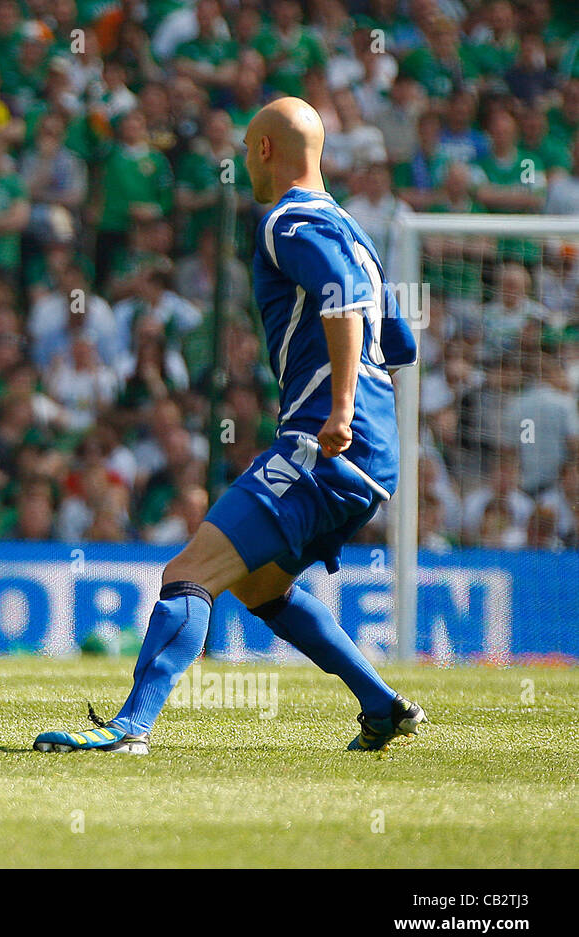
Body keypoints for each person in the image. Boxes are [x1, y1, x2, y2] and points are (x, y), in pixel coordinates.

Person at [35, 98, 426, 756]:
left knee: (188, 572)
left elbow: (339, 302)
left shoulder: (287, 218)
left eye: (247, 149)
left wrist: (335, 408)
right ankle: (381, 706)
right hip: (372, 452)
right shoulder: (356, 234)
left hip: (327, 439)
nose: (244, 162)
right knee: (260, 584)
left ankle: (130, 727)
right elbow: (403, 342)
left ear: (266, 151)